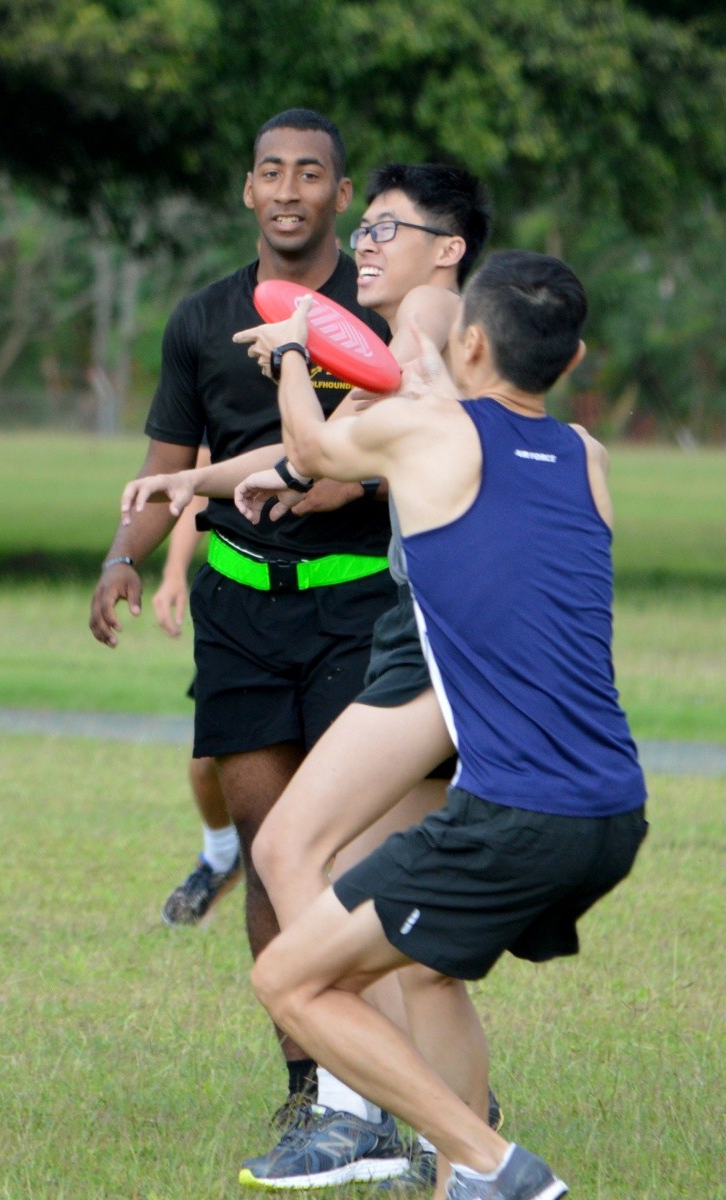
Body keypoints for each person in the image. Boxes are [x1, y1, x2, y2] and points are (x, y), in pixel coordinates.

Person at [229, 250, 644, 1200]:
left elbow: (315, 448)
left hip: (515, 815)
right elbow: (496, 495)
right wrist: (427, 386)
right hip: (615, 811)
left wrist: (298, 350)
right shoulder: (588, 457)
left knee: (292, 981)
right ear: (572, 360)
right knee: (424, 973)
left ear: (469, 341)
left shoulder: (430, 433)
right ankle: (464, 1168)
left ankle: (500, 1170)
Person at [133, 163, 497, 1189]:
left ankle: (366, 1116)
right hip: (435, 646)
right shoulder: (417, 348)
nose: (366, 243)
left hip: (427, 648)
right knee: (399, 921)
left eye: (389, 227)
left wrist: (296, 359)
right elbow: (314, 459)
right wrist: (190, 483)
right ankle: (449, 1133)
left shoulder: (442, 329)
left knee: (311, 859)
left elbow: (330, 448)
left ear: (449, 248)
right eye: (367, 226)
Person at [89, 108, 399, 1178]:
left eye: (310, 173)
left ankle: (396, 1075)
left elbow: (406, 448)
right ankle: (312, 1085)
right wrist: (121, 556)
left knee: (353, 851)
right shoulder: (203, 316)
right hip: (238, 612)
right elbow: (169, 462)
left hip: (360, 608)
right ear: (247, 190)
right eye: (270, 170)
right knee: (272, 850)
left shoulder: (380, 312)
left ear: (341, 196)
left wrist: (340, 479)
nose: (288, 189)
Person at [155, 449, 240, 928]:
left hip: (342, 593)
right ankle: (222, 856)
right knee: (207, 762)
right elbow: (199, 480)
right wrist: (173, 573)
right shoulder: (235, 377)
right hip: (245, 596)